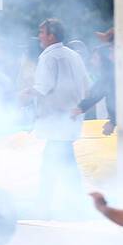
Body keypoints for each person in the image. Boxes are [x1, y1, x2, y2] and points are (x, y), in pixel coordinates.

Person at [22, 18, 90, 218]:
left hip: (55, 120)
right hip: (71, 119)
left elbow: (43, 87)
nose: (39, 37)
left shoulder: (48, 57)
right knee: (63, 162)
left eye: (42, 33)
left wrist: (25, 93)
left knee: (52, 165)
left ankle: (46, 207)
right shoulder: (74, 56)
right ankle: (73, 205)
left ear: (51, 35)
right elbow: (86, 85)